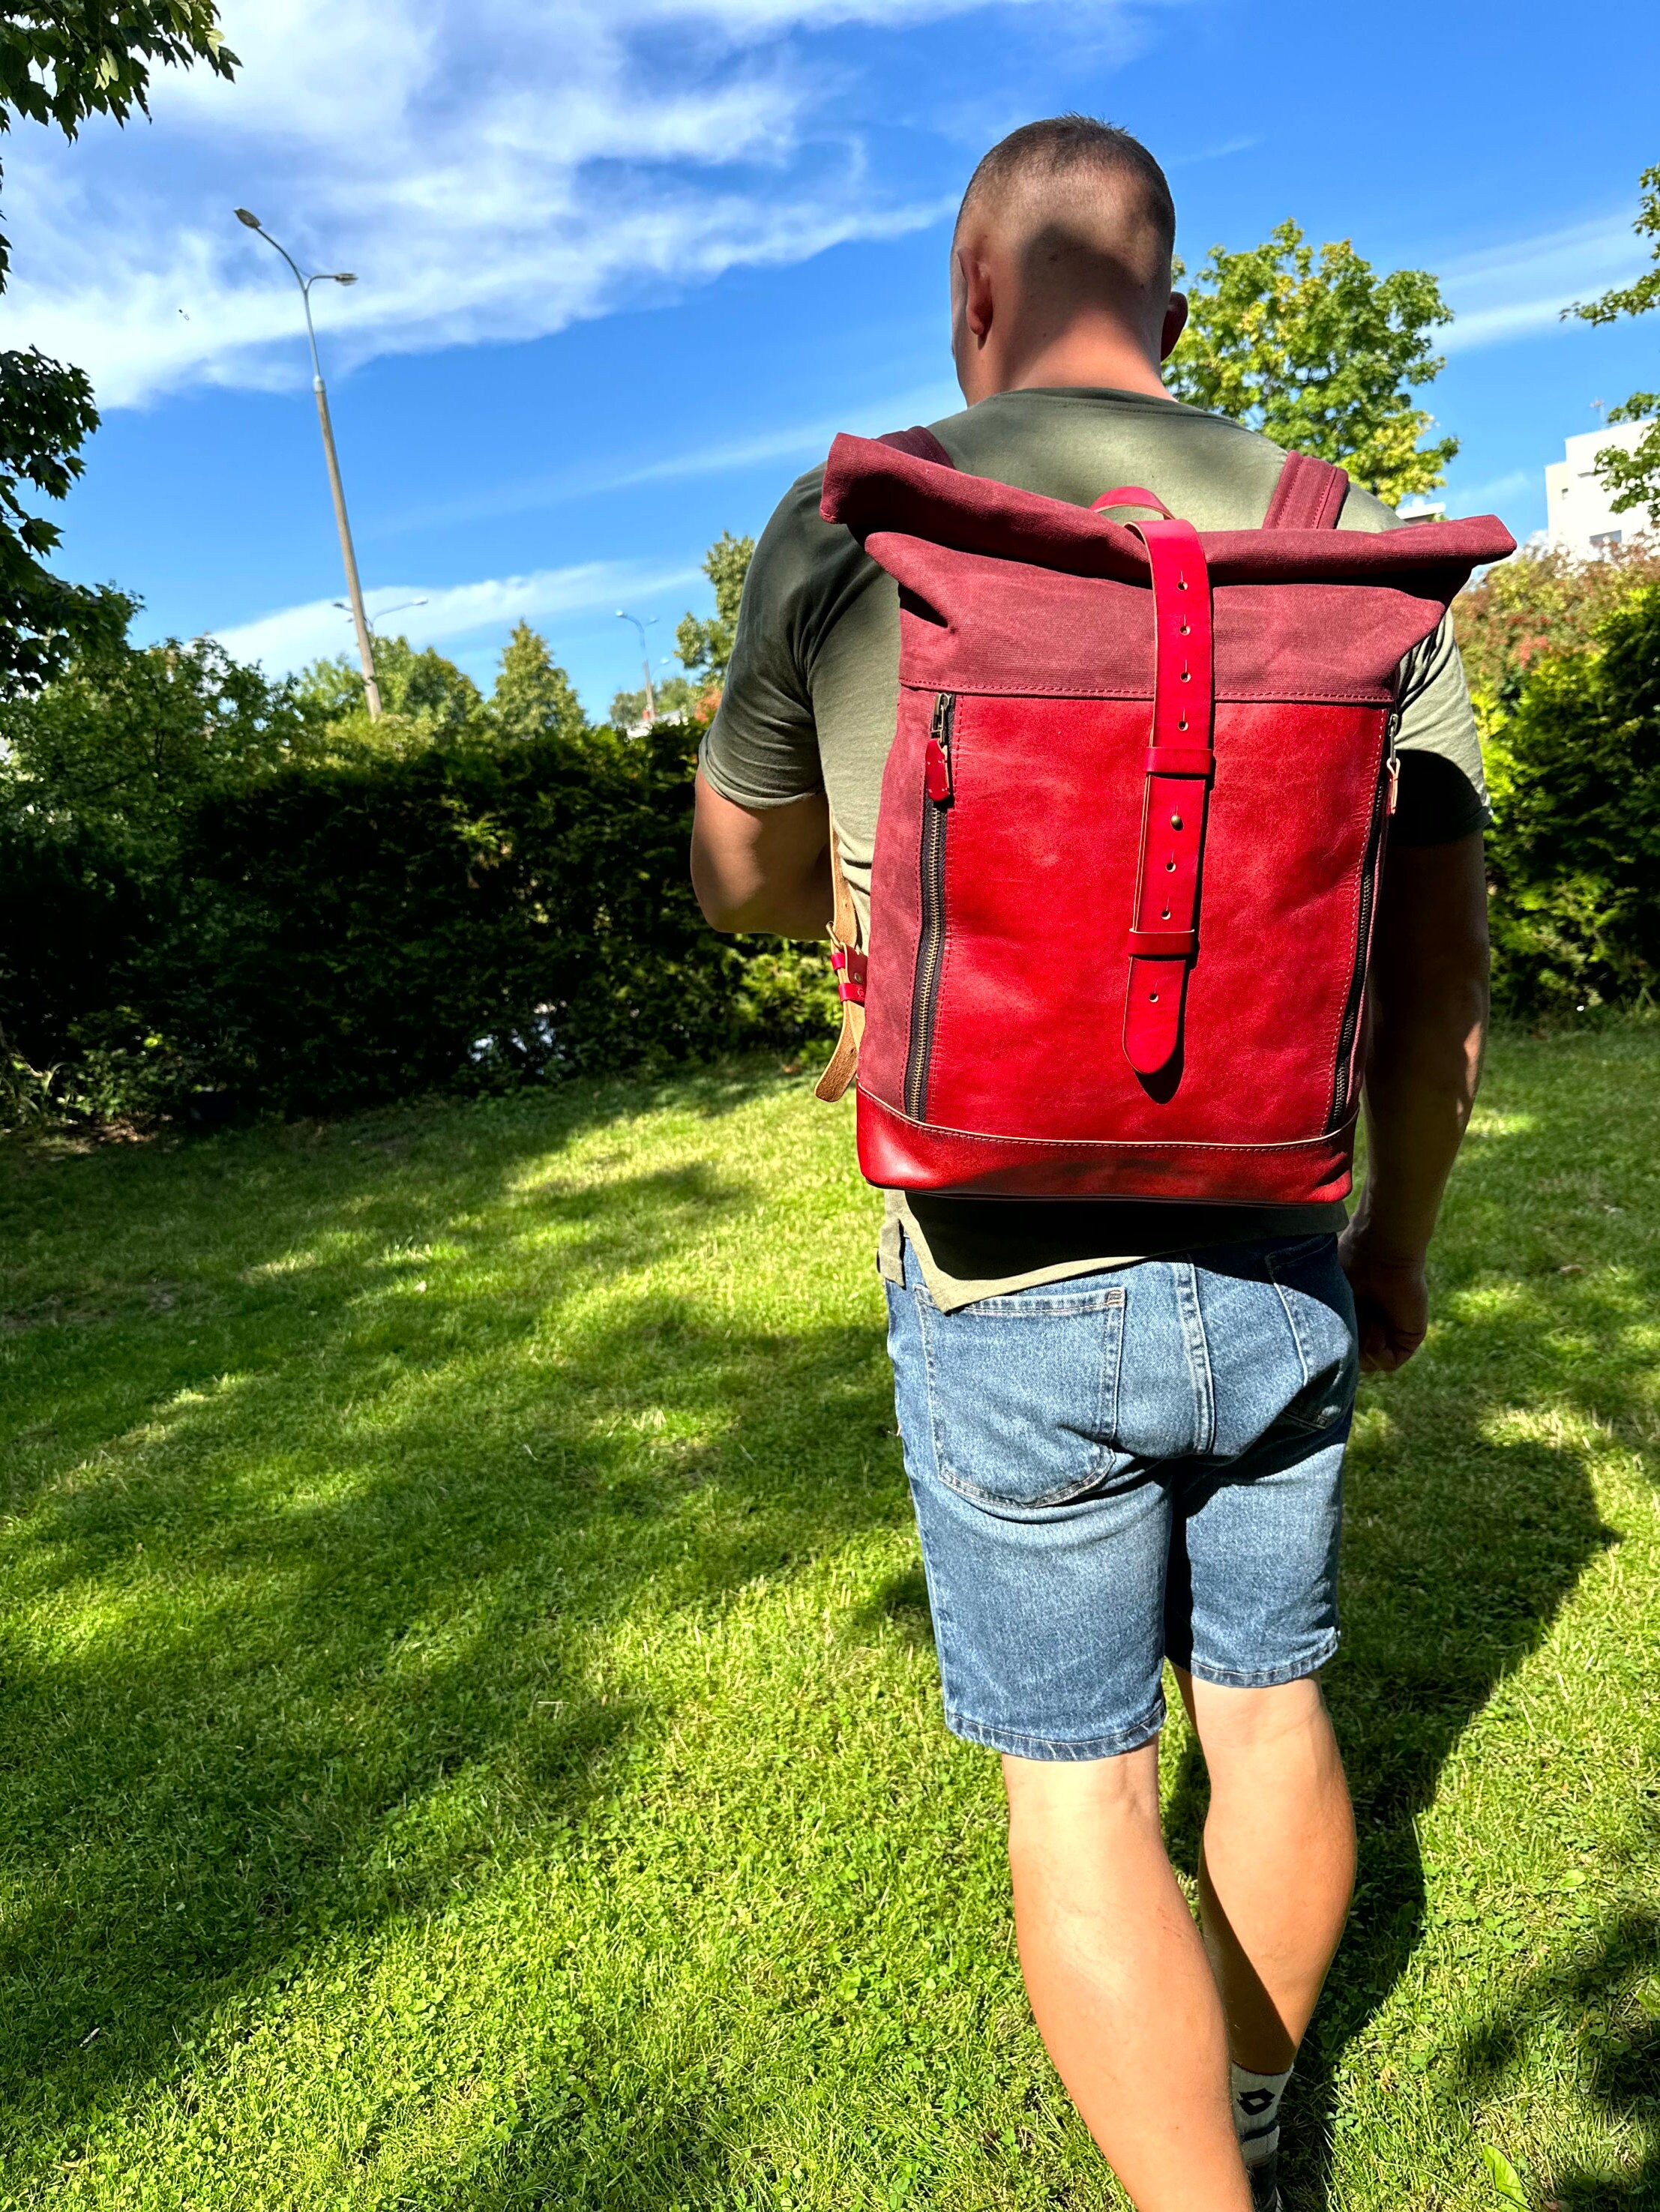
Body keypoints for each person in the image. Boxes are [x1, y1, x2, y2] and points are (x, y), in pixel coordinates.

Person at [690, 115, 1490, 2212]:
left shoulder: (855, 529)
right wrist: (1393, 1252)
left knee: (1081, 1798)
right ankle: (1247, 2111)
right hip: (1282, 1244)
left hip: (991, 1267)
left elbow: (737, 879)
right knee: (1275, 1712)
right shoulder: (1355, 550)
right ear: (1184, 312)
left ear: (971, 306)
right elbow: (1438, 1001)